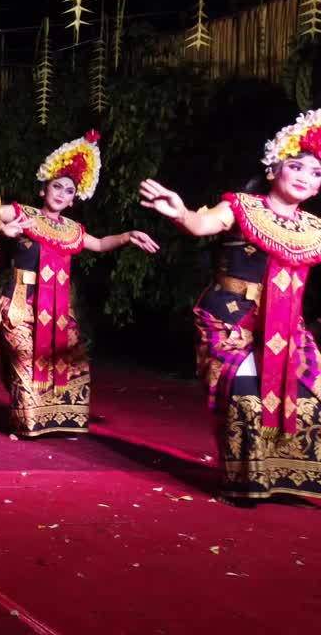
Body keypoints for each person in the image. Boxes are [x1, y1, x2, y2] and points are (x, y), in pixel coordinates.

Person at [139, 110, 321, 503]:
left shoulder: (315, 229)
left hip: (287, 327)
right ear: (273, 169)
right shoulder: (239, 206)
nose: (306, 176)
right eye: (296, 166)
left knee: (311, 393)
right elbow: (200, 225)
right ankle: (246, 482)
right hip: (231, 321)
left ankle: (291, 477)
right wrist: (181, 213)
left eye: (316, 172)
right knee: (245, 396)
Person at [0, 130, 158, 437]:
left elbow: (99, 244)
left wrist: (127, 236)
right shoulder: (24, 214)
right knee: (26, 362)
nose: (61, 193)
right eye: (56, 186)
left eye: (69, 191)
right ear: (44, 188)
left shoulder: (72, 230)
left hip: (57, 309)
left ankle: (59, 420)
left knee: (74, 363)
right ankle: (27, 422)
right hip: (19, 305)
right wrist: (3, 227)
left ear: (73, 199)